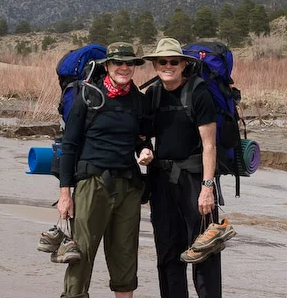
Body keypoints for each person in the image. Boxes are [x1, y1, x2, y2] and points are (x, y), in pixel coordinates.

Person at [57, 42, 153, 298]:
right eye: (118, 62)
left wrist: (145, 150)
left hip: (128, 186)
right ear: (107, 65)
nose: (124, 67)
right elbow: (69, 146)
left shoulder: (140, 102)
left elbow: (142, 138)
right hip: (92, 183)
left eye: (129, 63)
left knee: (125, 258)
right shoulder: (88, 97)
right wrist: (65, 194)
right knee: (82, 255)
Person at [139, 37, 229, 298]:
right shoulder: (153, 94)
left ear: (182, 64)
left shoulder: (198, 92)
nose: (168, 65)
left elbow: (209, 145)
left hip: (194, 181)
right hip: (161, 181)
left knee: (204, 250)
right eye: (163, 61)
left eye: (173, 61)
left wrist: (207, 188)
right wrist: (145, 151)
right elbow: (144, 137)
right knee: (167, 251)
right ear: (155, 65)